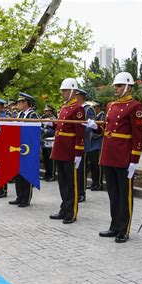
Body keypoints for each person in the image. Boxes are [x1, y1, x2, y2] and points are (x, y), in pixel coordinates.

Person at [98, 72, 142, 243]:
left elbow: (138, 136)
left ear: (128, 87)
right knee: (113, 194)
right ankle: (114, 225)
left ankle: (123, 229)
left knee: (124, 194)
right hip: (109, 155)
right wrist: (94, 127)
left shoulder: (135, 107)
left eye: (119, 86)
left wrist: (134, 159)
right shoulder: (110, 105)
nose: (116, 88)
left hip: (123, 156)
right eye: (115, 86)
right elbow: (106, 129)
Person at [49, 78, 85, 224]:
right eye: (62, 91)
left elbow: (80, 133)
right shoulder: (64, 108)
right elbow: (61, 128)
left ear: (72, 91)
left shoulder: (78, 109)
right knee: (62, 182)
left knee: (71, 183)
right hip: (60, 149)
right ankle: (64, 208)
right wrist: (53, 124)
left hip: (70, 150)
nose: (62, 93)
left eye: (64, 91)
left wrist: (78, 152)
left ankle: (71, 212)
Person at [8, 92, 38, 208]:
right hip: (18, 147)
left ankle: (26, 198)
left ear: (26, 103)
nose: (18, 104)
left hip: (28, 147)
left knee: (27, 174)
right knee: (18, 173)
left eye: (20, 102)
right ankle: (19, 196)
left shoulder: (32, 115)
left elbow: (34, 131)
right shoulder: (20, 114)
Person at [75, 89, 96, 202]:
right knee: (75, 169)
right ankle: (75, 191)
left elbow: (90, 126)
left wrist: (78, 130)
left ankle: (81, 192)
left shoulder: (88, 109)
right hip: (73, 142)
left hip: (83, 142)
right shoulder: (74, 108)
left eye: (76, 95)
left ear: (81, 97)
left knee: (81, 169)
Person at [86, 101, 105, 191]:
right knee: (92, 164)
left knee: (97, 165)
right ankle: (94, 182)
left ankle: (99, 184)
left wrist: (94, 135)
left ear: (98, 107)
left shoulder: (102, 116)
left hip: (98, 143)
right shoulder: (95, 116)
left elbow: (103, 129)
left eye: (94, 107)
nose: (93, 109)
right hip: (92, 144)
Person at [40, 105, 56, 181]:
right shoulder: (43, 118)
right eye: (45, 111)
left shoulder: (54, 119)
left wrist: (46, 131)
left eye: (48, 111)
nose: (46, 112)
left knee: (51, 159)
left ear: (51, 112)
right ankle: (47, 174)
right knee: (45, 159)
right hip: (44, 141)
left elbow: (54, 130)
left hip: (51, 141)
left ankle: (51, 175)